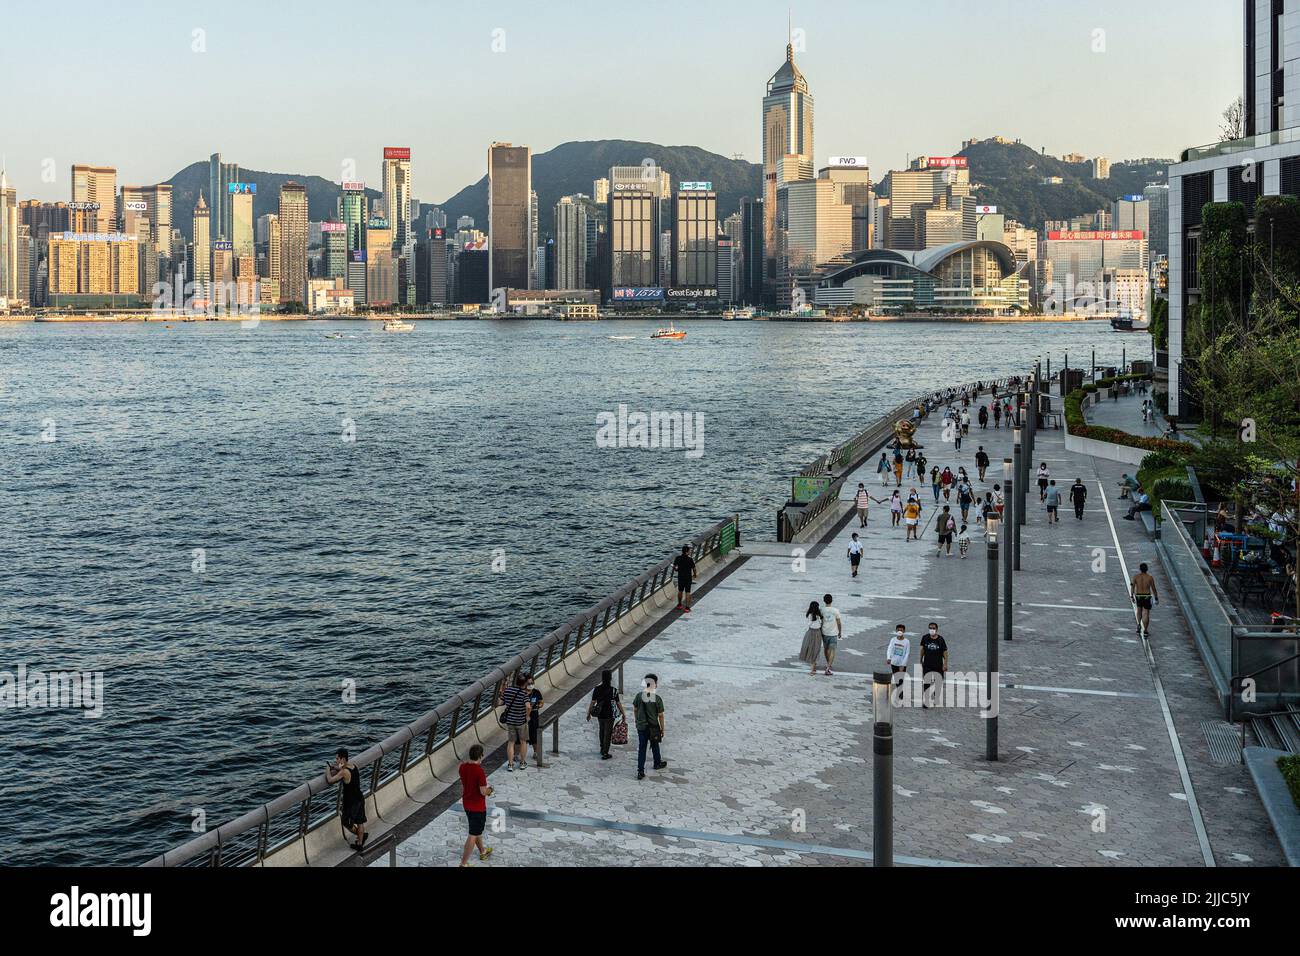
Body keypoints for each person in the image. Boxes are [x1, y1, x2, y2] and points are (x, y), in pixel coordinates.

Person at [458, 744, 494, 866]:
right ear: (480, 756)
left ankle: (483, 851)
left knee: (476, 829)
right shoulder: (479, 771)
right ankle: (463, 864)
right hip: (477, 807)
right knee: (473, 834)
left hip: (466, 804)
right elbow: (483, 791)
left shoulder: (462, 767)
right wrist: (490, 790)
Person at [326, 748, 367, 850]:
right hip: (359, 798)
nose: (336, 761)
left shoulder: (344, 772)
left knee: (346, 822)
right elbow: (345, 771)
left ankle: (360, 835)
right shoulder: (353, 766)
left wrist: (327, 770)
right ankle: (360, 842)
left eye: (337, 759)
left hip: (351, 803)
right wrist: (336, 767)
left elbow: (330, 780)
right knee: (359, 821)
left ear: (343, 759)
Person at [632, 674, 668, 779]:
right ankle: (657, 763)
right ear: (654, 684)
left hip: (642, 726)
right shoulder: (657, 698)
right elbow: (660, 715)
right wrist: (662, 728)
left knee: (642, 748)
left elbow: (635, 709)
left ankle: (640, 770)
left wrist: (637, 720)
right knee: (655, 744)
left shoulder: (639, 696)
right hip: (653, 727)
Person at [586, 669, 626, 759]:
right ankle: (605, 752)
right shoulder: (614, 690)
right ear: (610, 678)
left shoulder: (597, 689)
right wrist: (623, 714)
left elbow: (592, 703)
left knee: (602, 730)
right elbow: (618, 703)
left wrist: (589, 713)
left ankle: (602, 748)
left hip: (600, 714)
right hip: (610, 715)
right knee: (608, 734)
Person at [499, 674, 532, 771]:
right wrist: (527, 716)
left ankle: (510, 764)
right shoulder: (524, 694)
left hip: (510, 721)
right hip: (521, 721)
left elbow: (500, 703)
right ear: (525, 683)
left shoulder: (508, 691)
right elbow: (528, 706)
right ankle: (522, 763)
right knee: (523, 742)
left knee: (511, 742)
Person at [919, 623, 948, 709]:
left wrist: (945, 664)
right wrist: (920, 659)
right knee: (926, 683)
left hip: (938, 665)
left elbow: (945, 653)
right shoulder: (925, 638)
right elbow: (922, 649)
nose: (932, 629)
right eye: (930, 628)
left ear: (937, 629)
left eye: (933, 628)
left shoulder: (941, 640)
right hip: (927, 664)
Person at [1131, 563, 1159, 638]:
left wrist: (1132, 596)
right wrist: (1156, 598)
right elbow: (1153, 588)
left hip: (1139, 596)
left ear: (1140, 569)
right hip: (1146, 596)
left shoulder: (1136, 577)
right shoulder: (1150, 577)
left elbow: (1132, 587)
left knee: (1139, 611)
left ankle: (1138, 625)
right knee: (1146, 613)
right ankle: (1145, 630)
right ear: (1147, 569)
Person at [820, 594, 843, 675]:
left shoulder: (822, 610)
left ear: (824, 600)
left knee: (826, 649)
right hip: (833, 633)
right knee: (832, 650)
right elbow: (839, 623)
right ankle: (828, 667)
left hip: (824, 632)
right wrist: (840, 632)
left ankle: (828, 664)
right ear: (832, 600)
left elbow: (820, 621)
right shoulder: (835, 610)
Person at [800, 601, 824, 675]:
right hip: (812, 633)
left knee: (815, 649)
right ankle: (813, 666)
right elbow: (809, 624)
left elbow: (817, 624)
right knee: (811, 648)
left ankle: (813, 668)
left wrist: (817, 618)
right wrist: (815, 618)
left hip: (816, 633)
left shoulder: (819, 616)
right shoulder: (811, 615)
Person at [526, 676, 544, 766]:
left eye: (532, 683)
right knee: (522, 734)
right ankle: (517, 754)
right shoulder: (522, 693)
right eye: (528, 683)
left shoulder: (536, 692)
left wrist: (539, 705)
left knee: (534, 733)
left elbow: (541, 701)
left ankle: (535, 752)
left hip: (534, 714)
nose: (530, 685)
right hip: (524, 715)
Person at [673, 544, 696, 612]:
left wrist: (677, 569)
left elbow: (674, 567)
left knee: (680, 591)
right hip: (688, 578)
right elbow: (694, 568)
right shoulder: (690, 559)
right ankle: (687, 608)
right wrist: (695, 574)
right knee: (687, 592)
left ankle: (679, 604)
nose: (689, 552)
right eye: (689, 551)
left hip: (681, 577)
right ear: (686, 552)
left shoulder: (678, 558)